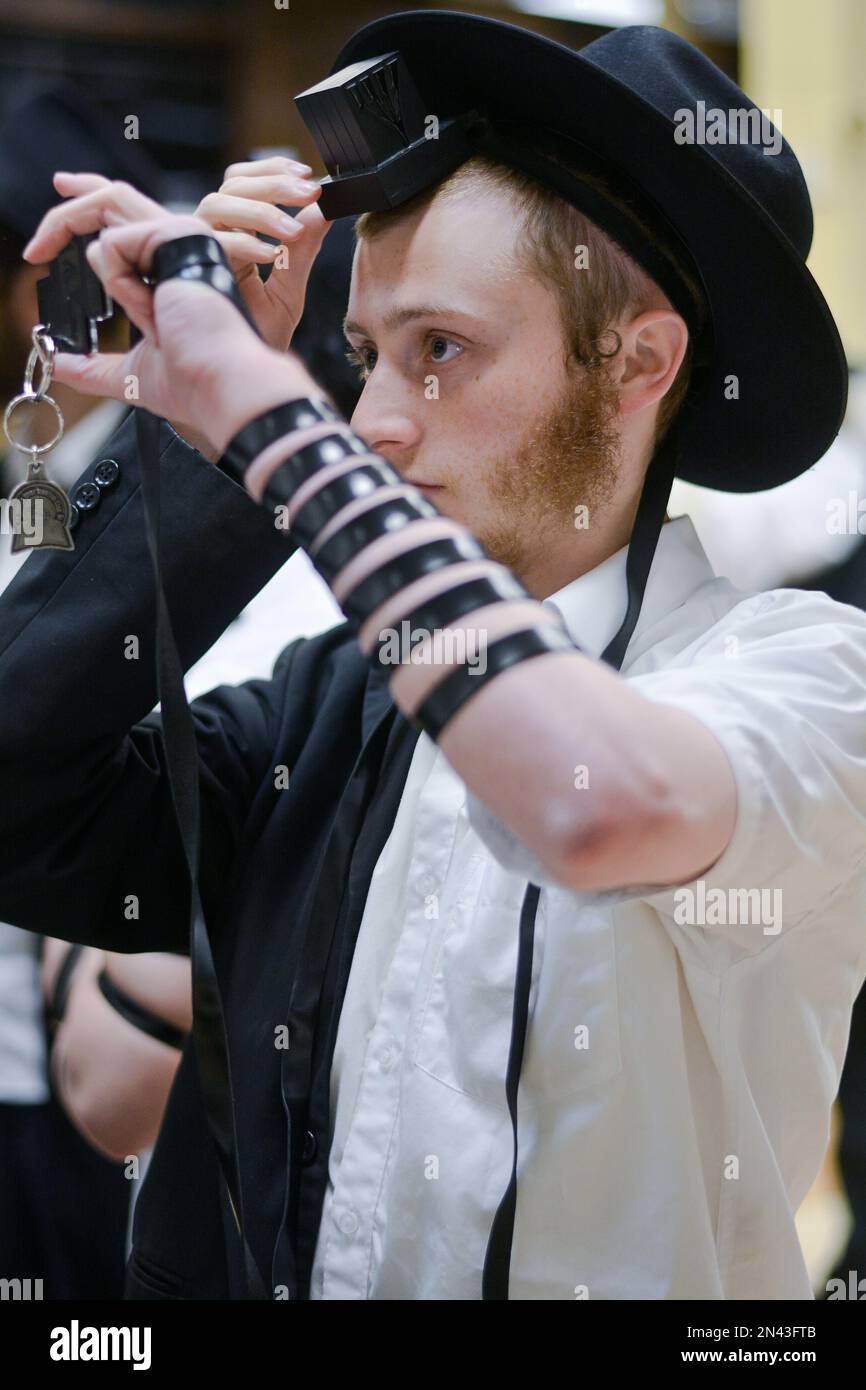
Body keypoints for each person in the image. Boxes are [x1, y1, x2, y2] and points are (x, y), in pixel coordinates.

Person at [3, 13, 866, 1302]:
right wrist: (212, 447)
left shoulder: (804, 672)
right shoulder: (325, 712)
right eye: (354, 359)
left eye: (441, 351)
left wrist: (271, 417)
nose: (374, 422)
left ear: (637, 363)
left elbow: (600, 802)